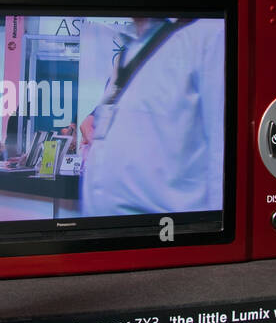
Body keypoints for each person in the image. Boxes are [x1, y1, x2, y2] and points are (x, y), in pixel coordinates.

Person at [79, 17, 224, 217]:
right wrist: (97, 116)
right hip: (110, 233)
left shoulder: (211, 34)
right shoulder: (133, 47)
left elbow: (224, 154)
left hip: (168, 235)